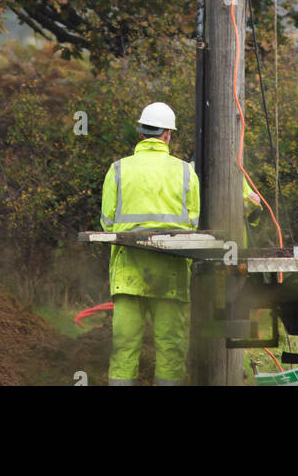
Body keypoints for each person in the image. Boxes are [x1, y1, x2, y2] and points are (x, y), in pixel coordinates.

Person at [100, 102, 200, 387]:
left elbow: (107, 223)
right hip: (171, 274)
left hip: (129, 274)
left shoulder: (118, 170)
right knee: (170, 348)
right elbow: (192, 225)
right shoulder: (185, 172)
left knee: (124, 346)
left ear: (141, 133)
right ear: (168, 134)